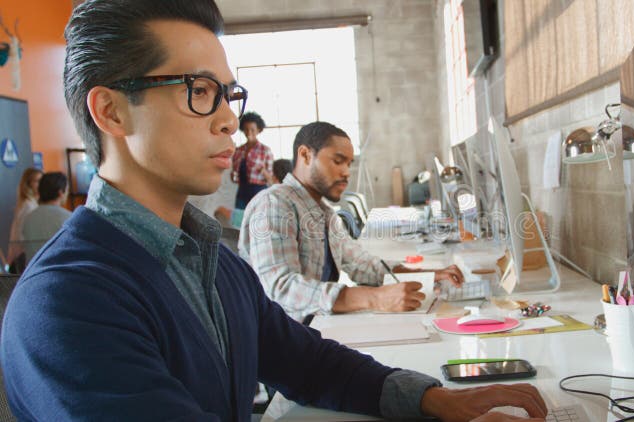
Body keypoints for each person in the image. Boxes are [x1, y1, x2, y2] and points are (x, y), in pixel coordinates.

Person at [0, 1, 547, 421]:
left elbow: (306, 360)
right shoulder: (66, 304)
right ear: (111, 111)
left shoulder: (214, 261)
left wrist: (431, 399)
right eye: (198, 91)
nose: (228, 123)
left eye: (227, 95)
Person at [239, 122, 464, 322]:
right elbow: (281, 288)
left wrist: (427, 275)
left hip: (315, 331)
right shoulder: (274, 204)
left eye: (349, 163)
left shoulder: (324, 213)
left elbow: (362, 265)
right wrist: (374, 298)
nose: (347, 172)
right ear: (306, 155)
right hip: (283, 348)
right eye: (338, 161)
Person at [21, 172, 72, 259]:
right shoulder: (69, 218)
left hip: (33, 270)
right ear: (60, 192)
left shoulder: (28, 218)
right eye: (67, 190)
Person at [231, 111, 274, 209]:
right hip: (242, 191)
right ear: (242, 129)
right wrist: (233, 176)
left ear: (258, 130)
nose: (249, 132)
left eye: (252, 129)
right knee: (239, 221)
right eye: (246, 129)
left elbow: (271, 179)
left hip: (259, 192)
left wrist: (263, 171)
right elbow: (234, 177)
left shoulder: (265, 150)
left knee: (260, 221)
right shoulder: (238, 151)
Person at [6, 167, 42, 273]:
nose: (41, 184)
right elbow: (22, 238)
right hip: (22, 262)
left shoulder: (30, 204)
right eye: (37, 181)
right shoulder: (29, 207)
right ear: (29, 183)